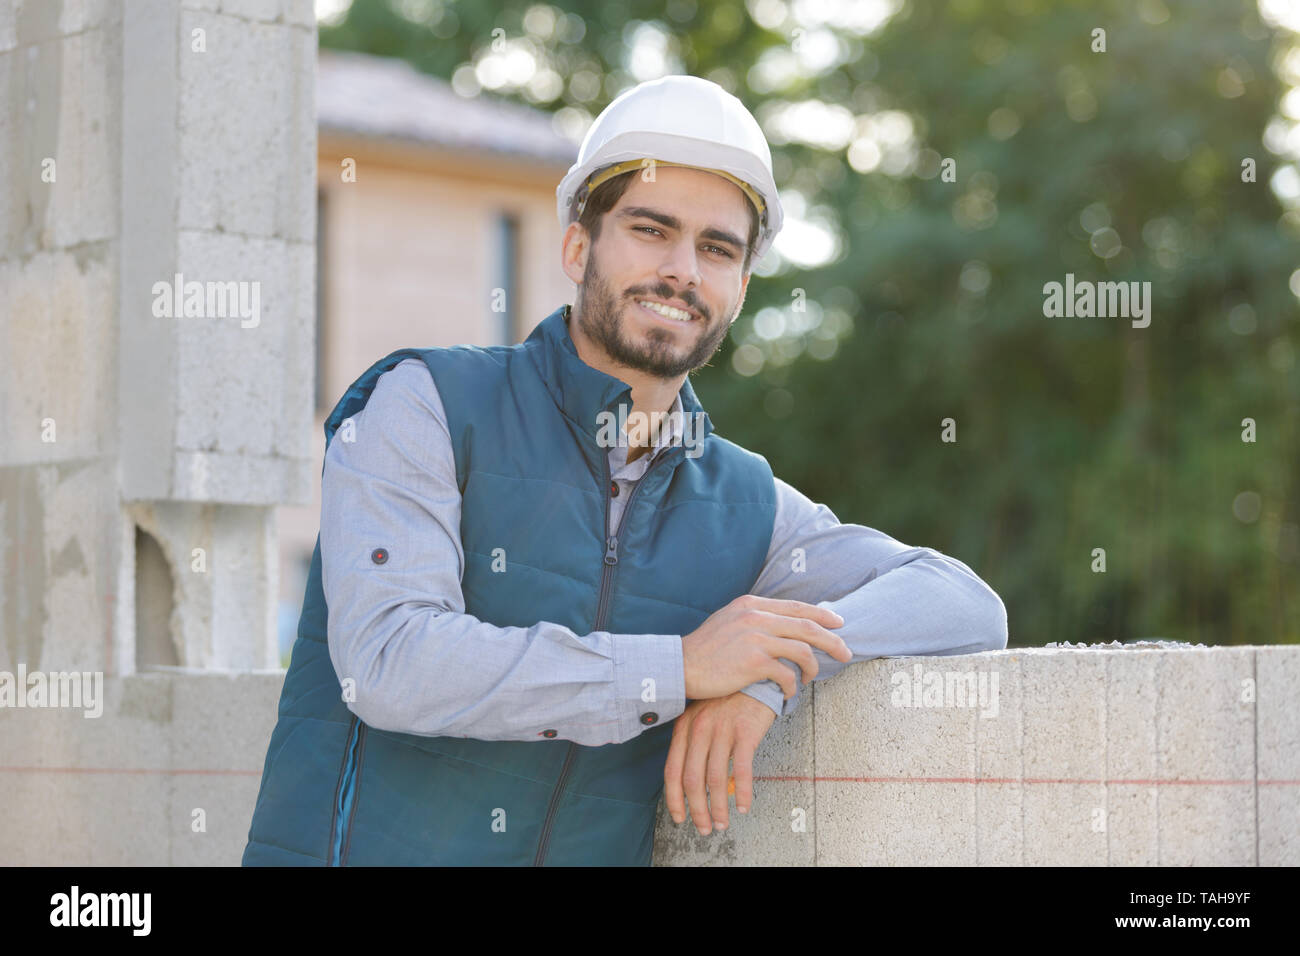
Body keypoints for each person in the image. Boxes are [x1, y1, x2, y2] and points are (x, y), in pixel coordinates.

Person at [241, 74, 1008, 867]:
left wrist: (768, 678)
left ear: (741, 288)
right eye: (651, 229)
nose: (682, 271)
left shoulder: (748, 506)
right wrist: (677, 670)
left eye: (717, 248)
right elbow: (391, 663)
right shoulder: (427, 404)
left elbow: (963, 605)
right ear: (578, 246)